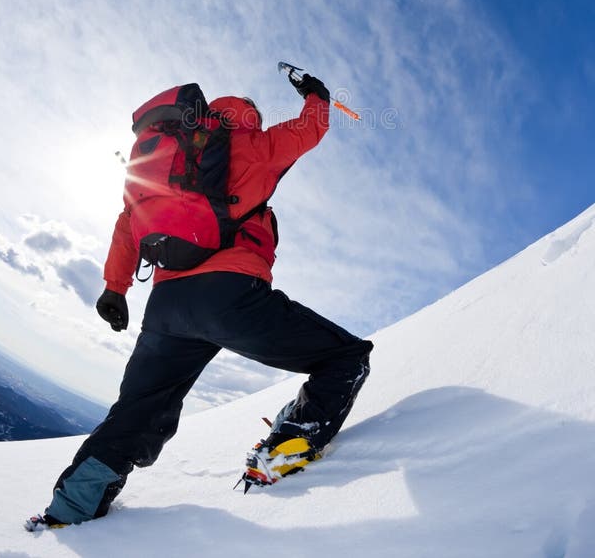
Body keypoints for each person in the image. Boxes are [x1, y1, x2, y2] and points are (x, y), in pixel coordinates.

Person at [33, 73, 373, 527]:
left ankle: (69, 509)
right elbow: (311, 130)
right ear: (248, 115)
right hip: (229, 296)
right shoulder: (255, 145)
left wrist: (115, 288)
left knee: (137, 410)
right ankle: (283, 449)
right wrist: (317, 95)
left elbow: (126, 220)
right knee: (346, 357)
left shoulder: (168, 154)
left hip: (167, 306)